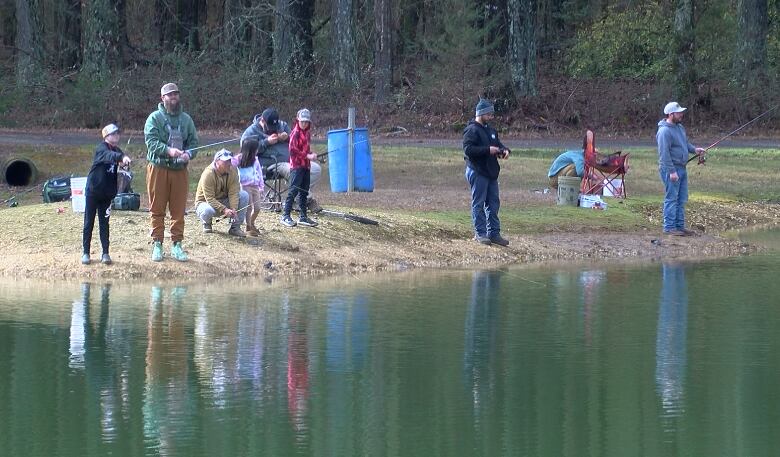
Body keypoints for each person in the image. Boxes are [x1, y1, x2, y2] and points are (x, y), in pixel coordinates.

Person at [144, 82, 199, 261]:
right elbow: (151, 142)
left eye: (176, 94)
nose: (173, 97)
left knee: (178, 210)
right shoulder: (154, 118)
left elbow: (193, 143)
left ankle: (177, 245)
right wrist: (168, 151)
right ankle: (157, 244)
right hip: (158, 169)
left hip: (179, 171)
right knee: (157, 208)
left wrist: (188, 154)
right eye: (170, 95)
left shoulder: (187, 120)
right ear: (163, 98)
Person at [240, 108, 322, 212]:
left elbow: (296, 142)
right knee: (296, 171)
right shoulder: (251, 131)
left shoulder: (282, 125)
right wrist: (266, 142)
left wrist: (288, 137)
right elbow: (245, 152)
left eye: (275, 126)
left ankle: (297, 201)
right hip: (271, 164)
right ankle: (306, 199)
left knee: (315, 169)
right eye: (270, 126)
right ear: (262, 120)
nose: (273, 129)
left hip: (293, 159)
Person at [81, 124, 131, 265]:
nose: (117, 135)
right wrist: (121, 157)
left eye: (117, 133)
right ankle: (86, 252)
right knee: (88, 222)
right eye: (113, 133)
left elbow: (120, 162)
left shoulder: (118, 151)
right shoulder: (101, 149)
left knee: (105, 223)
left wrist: (125, 164)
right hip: (93, 191)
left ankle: (105, 253)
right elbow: (110, 156)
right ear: (106, 136)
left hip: (107, 193)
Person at [463, 98, 511, 246]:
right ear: (481, 113)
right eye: (489, 114)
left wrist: (505, 151)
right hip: (477, 171)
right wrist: (487, 150)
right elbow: (468, 150)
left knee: (493, 204)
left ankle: (494, 233)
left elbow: (498, 145)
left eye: (492, 114)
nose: (491, 117)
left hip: (491, 173)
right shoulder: (472, 130)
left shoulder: (491, 130)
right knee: (478, 203)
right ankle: (480, 233)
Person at [657, 101, 705, 236]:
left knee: (681, 198)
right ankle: (669, 228)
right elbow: (664, 154)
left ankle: (679, 226)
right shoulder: (664, 131)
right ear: (671, 114)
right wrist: (672, 172)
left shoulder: (680, 128)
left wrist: (695, 150)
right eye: (679, 113)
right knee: (671, 198)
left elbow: (685, 143)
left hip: (682, 168)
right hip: (670, 169)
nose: (681, 114)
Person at [195, 149, 249, 237]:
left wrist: (234, 209)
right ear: (217, 161)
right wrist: (224, 209)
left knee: (244, 195)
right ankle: (207, 223)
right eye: (225, 161)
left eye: (229, 160)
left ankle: (235, 228)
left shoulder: (233, 170)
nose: (229, 163)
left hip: (223, 201)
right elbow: (209, 198)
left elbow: (234, 192)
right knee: (207, 211)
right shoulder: (208, 174)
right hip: (206, 203)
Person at [280, 108, 319, 228]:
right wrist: (307, 155)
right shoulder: (295, 133)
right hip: (296, 167)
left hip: (306, 166)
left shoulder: (307, 133)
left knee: (304, 192)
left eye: (306, 121)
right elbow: (292, 150)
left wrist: (311, 154)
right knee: (293, 191)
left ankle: (303, 217)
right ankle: (285, 216)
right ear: (298, 120)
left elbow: (305, 149)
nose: (304, 123)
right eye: (302, 121)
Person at [232, 138, 264, 237]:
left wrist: (261, 186)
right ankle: (248, 226)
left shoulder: (256, 160)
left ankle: (252, 222)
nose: (257, 151)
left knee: (257, 207)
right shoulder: (239, 159)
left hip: (255, 187)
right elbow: (231, 164)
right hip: (245, 186)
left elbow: (260, 173)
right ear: (250, 150)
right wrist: (231, 157)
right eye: (256, 149)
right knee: (249, 207)